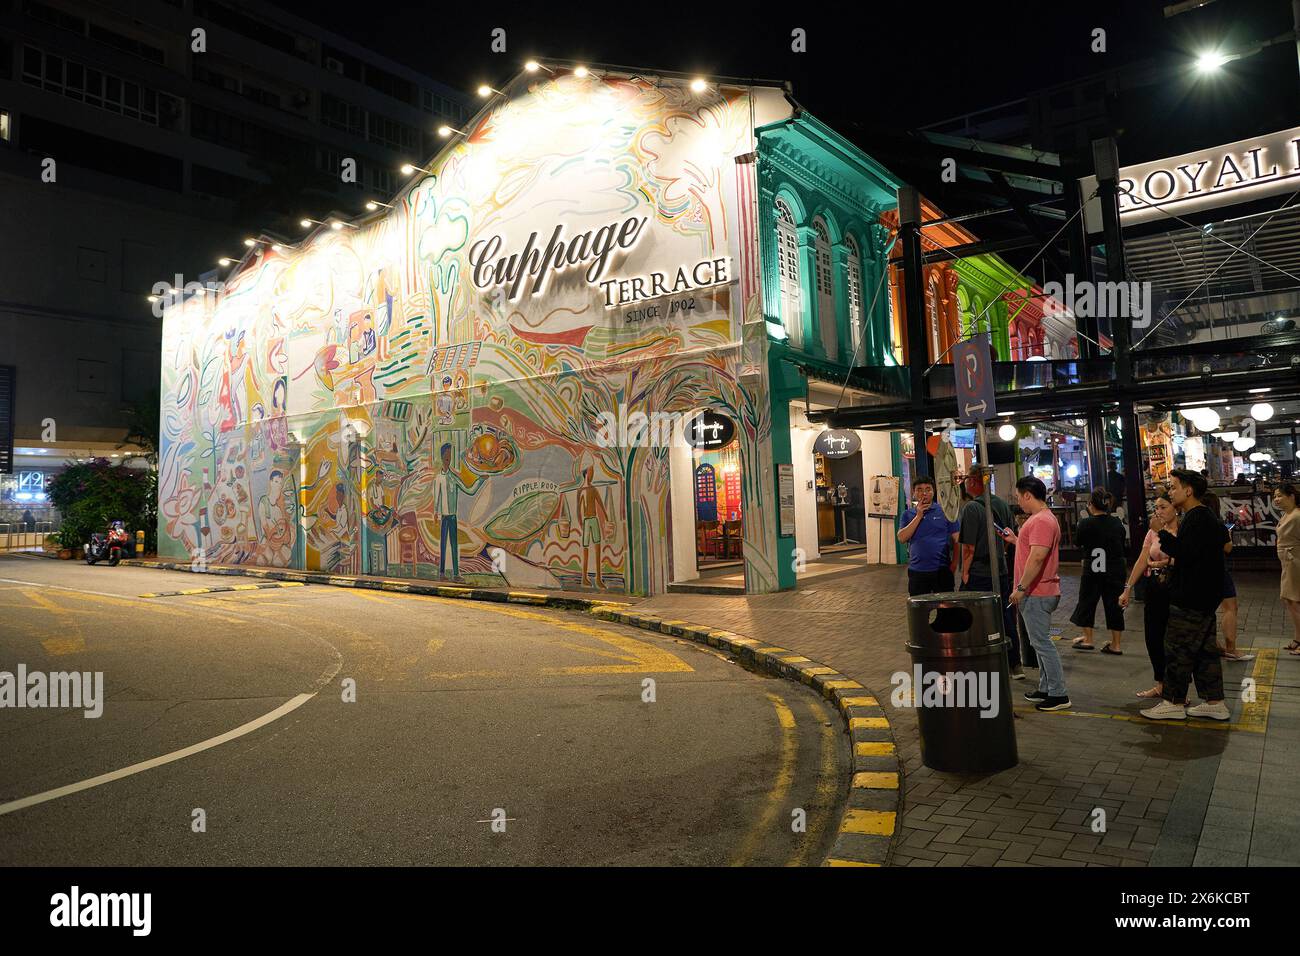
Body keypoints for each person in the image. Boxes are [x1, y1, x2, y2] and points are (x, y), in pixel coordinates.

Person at [1142, 468, 1229, 720]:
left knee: (1177, 650)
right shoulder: (1205, 517)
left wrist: (1160, 531)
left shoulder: (1196, 517)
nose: (1171, 491)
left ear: (1188, 490)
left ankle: (1173, 701)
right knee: (1204, 652)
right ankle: (1215, 701)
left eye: (1173, 487)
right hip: (1204, 595)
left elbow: (1183, 552)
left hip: (1191, 596)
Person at [1006, 475, 1070, 711]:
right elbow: (1032, 550)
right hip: (1039, 590)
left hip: (1038, 591)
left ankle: (1059, 693)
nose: (1018, 502)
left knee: (1042, 643)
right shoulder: (1041, 519)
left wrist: (1021, 588)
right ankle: (1046, 688)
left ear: (1027, 495)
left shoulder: (1041, 520)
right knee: (1038, 641)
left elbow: (1038, 556)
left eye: (1018, 497)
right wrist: (1015, 540)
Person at [957, 472, 1024, 679]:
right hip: (1001, 570)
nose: (965, 483)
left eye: (967, 479)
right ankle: (1015, 663)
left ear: (974, 481)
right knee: (1005, 615)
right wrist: (1000, 552)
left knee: (976, 617)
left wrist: (965, 572)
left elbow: (968, 547)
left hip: (979, 571)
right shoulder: (1002, 505)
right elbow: (1010, 535)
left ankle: (981, 663)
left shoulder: (971, 508)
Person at [1120, 492, 1178, 699]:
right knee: (1153, 637)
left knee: (1174, 640)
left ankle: (1177, 691)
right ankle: (1161, 684)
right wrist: (1128, 588)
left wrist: (1165, 563)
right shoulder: (1153, 532)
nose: (1158, 511)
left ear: (1175, 508)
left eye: (1163, 507)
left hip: (1176, 588)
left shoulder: (1183, 529)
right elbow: (1142, 559)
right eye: (1156, 508)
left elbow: (1186, 557)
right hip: (1155, 587)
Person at [1069, 487, 1127, 653]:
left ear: (1090, 505)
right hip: (1115, 569)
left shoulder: (1085, 523)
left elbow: (1078, 542)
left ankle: (1088, 639)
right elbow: (1121, 540)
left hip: (1092, 568)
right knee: (1114, 605)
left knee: (1087, 602)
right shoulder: (1116, 522)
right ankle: (1116, 644)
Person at [1204, 492, 1251, 662]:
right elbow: (1228, 548)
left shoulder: (1188, 523)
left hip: (1198, 572)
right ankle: (1231, 649)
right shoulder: (1217, 525)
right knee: (1230, 607)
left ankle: (1214, 645)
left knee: (1205, 610)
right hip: (1218, 570)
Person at [897, 475, 959, 596]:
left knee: (947, 610)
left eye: (928, 489)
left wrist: (954, 565)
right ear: (913, 493)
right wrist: (918, 516)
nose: (924, 493)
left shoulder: (945, 511)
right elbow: (902, 538)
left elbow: (957, 539)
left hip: (941, 570)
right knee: (919, 611)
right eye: (919, 489)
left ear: (933, 492)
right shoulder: (907, 514)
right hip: (917, 571)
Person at [1273, 482, 1300, 657]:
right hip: (1288, 563)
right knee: (1290, 601)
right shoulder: (1287, 515)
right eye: (1275, 496)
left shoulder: (1297, 516)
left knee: (1295, 601)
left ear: (1291, 496)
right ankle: (1298, 637)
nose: (1276, 499)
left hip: (1295, 562)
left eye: (1280, 495)